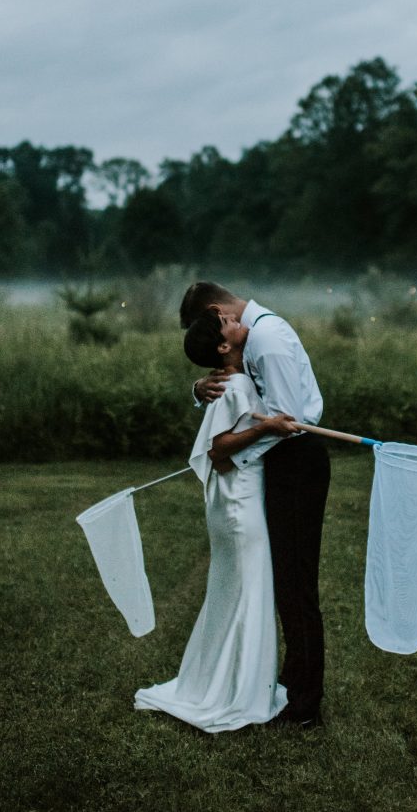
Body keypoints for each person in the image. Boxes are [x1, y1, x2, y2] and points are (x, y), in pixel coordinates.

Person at [179, 282, 330, 728]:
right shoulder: (252, 339)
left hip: (297, 462)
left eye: (212, 324)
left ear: (214, 310)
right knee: (285, 581)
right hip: (279, 462)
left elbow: (288, 421)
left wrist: (226, 454)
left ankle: (305, 706)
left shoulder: (267, 339)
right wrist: (200, 387)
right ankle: (291, 682)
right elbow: (244, 400)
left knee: (296, 585)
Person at [133, 309, 291, 733]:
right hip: (240, 503)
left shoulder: (233, 380)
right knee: (248, 588)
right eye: (229, 322)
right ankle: (239, 692)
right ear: (224, 347)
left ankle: (233, 682)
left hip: (237, 499)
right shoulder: (234, 383)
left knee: (239, 590)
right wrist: (269, 427)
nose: (239, 319)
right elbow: (220, 449)